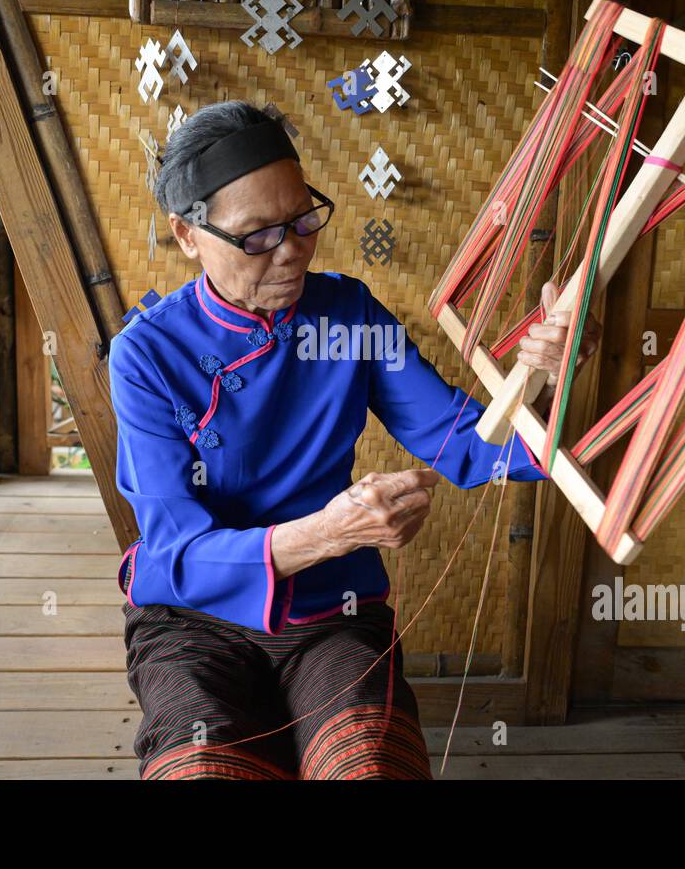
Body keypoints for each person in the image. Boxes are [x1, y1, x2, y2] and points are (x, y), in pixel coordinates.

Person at [111, 100, 588, 779]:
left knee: (368, 765)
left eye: (303, 220)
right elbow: (178, 553)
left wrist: (548, 380)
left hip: (329, 612)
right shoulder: (148, 353)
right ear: (187, 234)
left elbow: (468, 443)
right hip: (193, 622)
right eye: (257, 236)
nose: (291, 250)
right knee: (204, 767)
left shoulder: (349, 317)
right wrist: (329, 532)